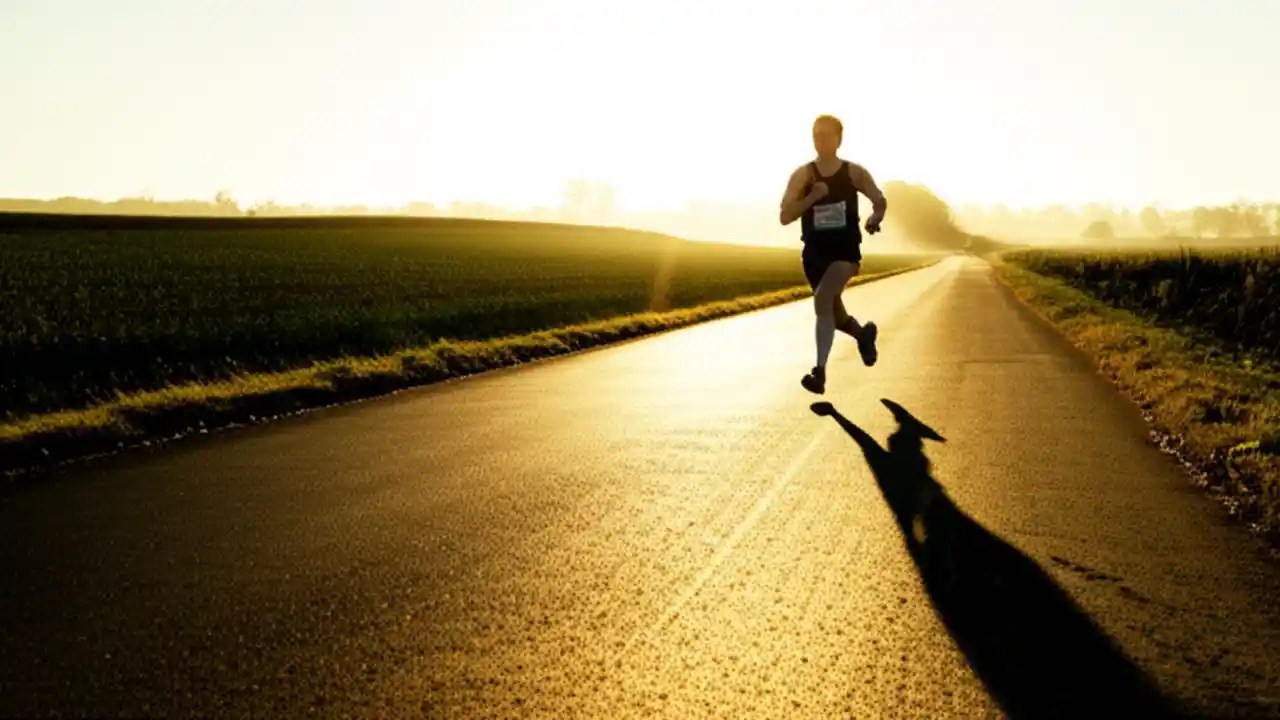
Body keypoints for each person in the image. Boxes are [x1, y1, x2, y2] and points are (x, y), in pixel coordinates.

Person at [778, 114, 887, 394]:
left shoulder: (853, 172)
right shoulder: (803, 175)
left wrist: (875, 218)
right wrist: (812, 197)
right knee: (832, 315)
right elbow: (785, 216)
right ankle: (863, 335)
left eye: (826, 134)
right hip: (814, 256)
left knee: (822, 299)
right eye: (815, 134)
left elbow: (879, 199)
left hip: (845, 252)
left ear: (840, 138)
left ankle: (820, 373)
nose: (820, 139)